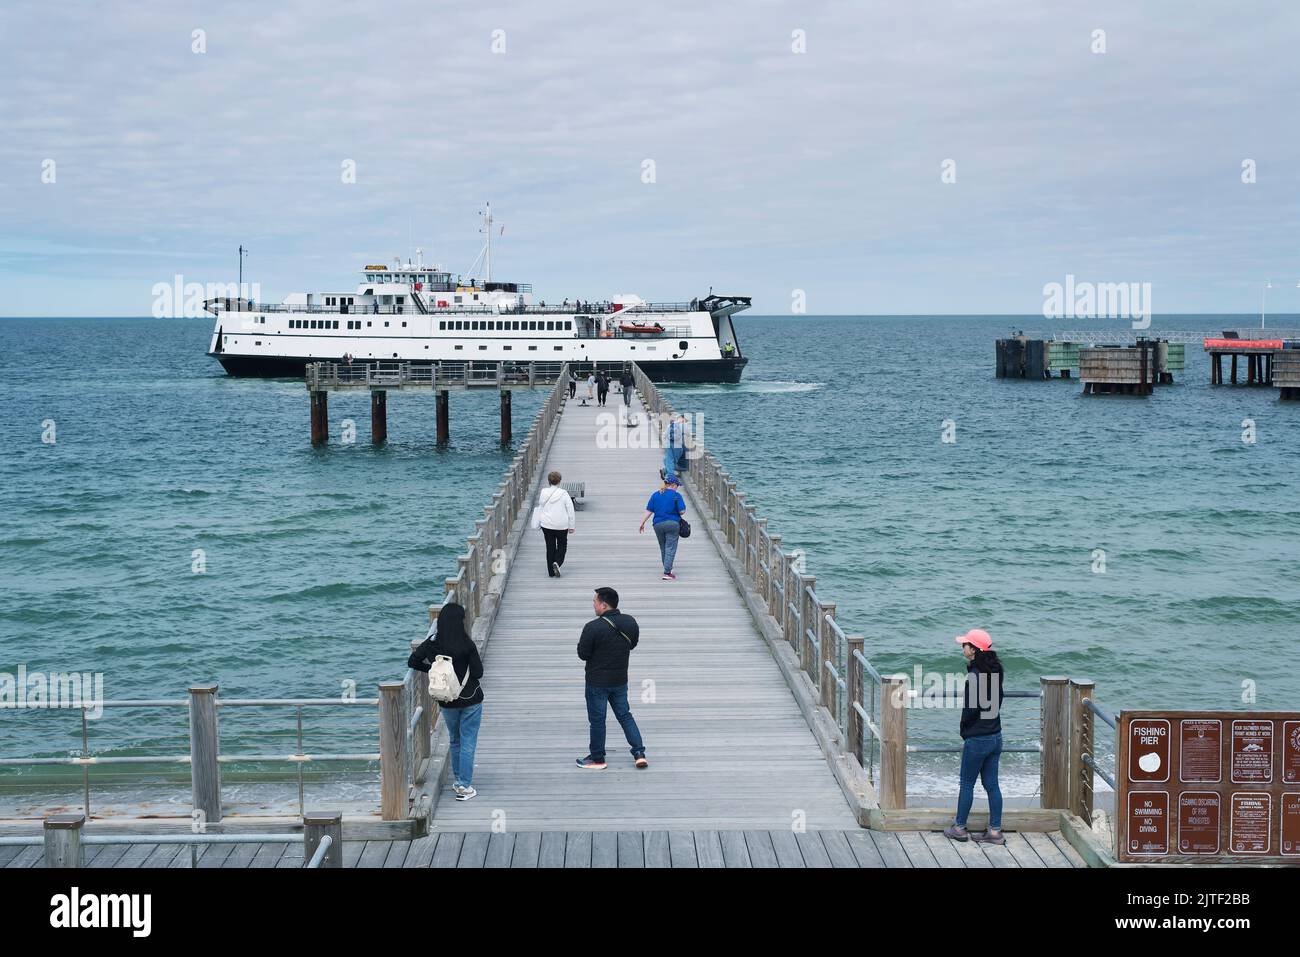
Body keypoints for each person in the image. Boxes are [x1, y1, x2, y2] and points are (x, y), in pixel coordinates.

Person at [407, 603, 484, 801]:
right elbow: (478, 673)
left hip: (447, 701)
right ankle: (464, 786)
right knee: (468, 741)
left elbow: (413, 661)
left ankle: (459, 780)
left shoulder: (432, 643)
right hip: (470, 698)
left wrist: (432, 671)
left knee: (455, 740)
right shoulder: (466, 644)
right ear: (460, 621)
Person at [943, 629, 1006, 845]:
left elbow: (970, 709)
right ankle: (995, 831)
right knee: (992, 785)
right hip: (995, 735)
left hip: (978, 738)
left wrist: (964, 729)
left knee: (967, 783)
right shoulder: (996, 670)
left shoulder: (975, 676)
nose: (963, 647)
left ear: (975, 650)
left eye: (965, 644)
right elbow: (998, 700)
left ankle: (959, 827)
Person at [576, 586, 647, 769]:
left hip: (596, 682)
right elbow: (633, 644)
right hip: (619, 680)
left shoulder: (592, 627)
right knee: (625, 716)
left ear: (604, 605)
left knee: (598, 720)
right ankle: (639, 752)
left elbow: (583, 654)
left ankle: (597, 758)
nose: (593, 605)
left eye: (595, 602)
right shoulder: (630, 622)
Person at [639, 475, 685, 581]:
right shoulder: (676, 496)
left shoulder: (655, 495)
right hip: (673, 524)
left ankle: (667, 567)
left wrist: (642, 523)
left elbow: (649, 510)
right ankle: (667, 572)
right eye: (677, 485)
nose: (677, 488)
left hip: (658, 524)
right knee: (671, 547)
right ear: (673, 485)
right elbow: (682, 511)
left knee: (663, 546)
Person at [537, 470, 576, 578]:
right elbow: (570, 510)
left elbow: (541, 504)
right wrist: (571, 526)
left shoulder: (543, 492)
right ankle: (557, 563)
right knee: (562, 546)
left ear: (549, 481)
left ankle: (550, 572)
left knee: (550, 547)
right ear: (559, 481)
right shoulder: (564, 494)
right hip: (561, 525)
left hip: (547, 525)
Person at [661, 413, 686, 480]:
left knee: (670, 459)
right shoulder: (684, 426)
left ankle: (665, 470)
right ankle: (670, 476)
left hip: (669, 444)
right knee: (674, 460)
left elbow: (664, 435)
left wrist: (664, 444)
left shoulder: (670, 425)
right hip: (678, 446)